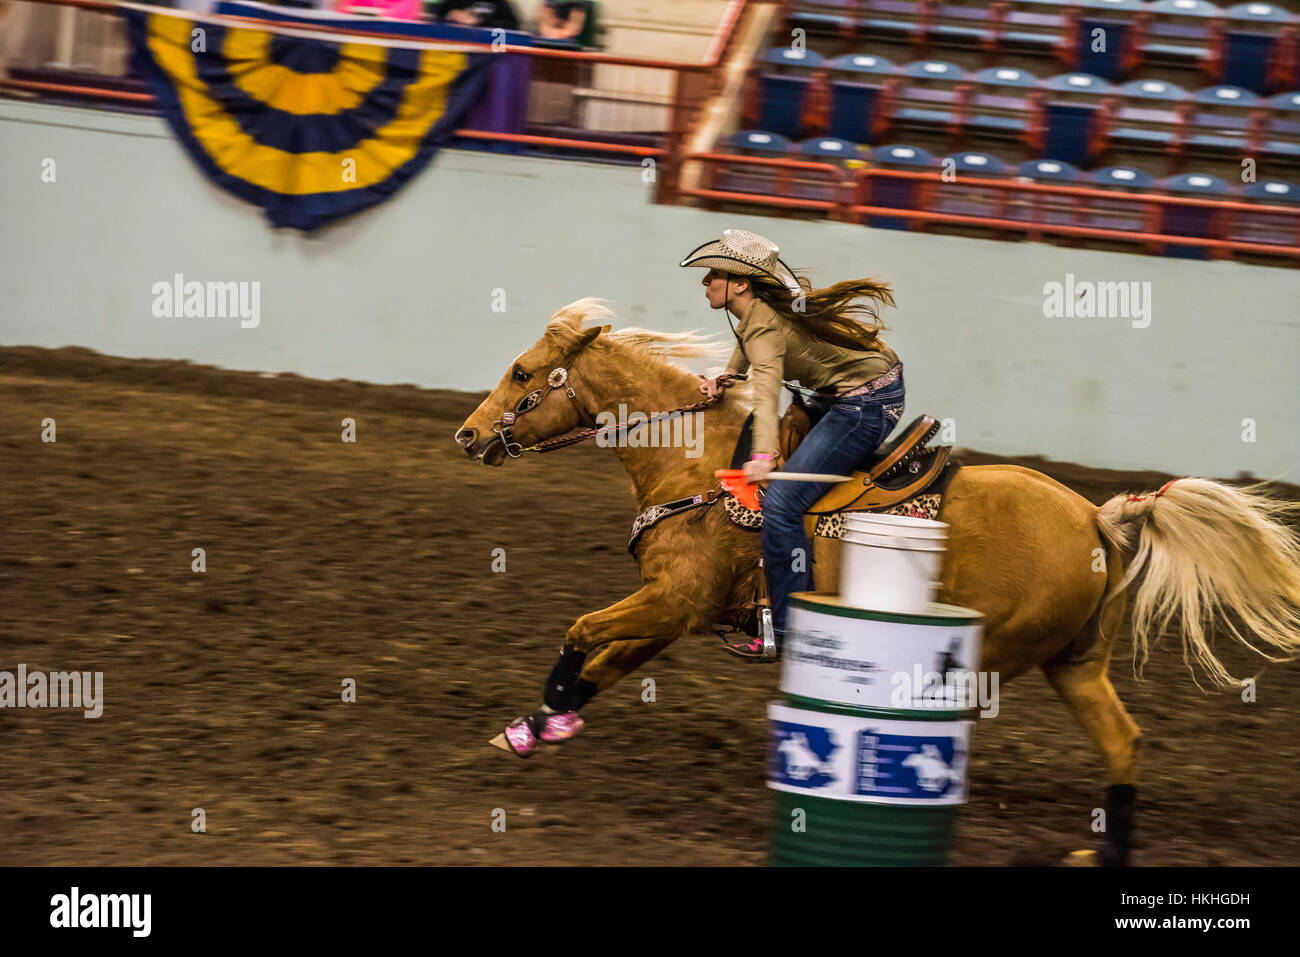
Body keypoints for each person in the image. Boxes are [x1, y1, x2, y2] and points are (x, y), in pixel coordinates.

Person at [680, 228, 905, 660]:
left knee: (781, 505)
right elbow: (750, 351)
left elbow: (766, 396)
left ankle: (790, 630)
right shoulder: (755, 315)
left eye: (712, 275)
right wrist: (725, 378)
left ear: (740, 283)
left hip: (865, 404)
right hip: (856, 390)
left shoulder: (762, 324)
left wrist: (764, 457)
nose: (704, 282)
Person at [429, 0, 520, 30]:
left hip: (486, 52)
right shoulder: (453, 2)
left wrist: (480, 21)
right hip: (456, 49)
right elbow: (436, 20)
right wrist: (450, 17)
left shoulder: (499, 2)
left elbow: (512, 25)